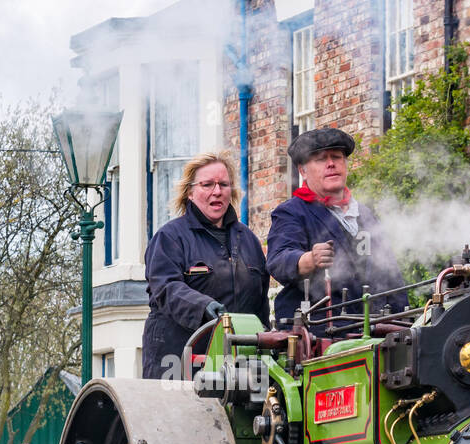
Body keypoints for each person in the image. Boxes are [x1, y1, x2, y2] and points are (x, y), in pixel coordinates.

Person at [141, 152, 270, 379]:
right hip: (178, 364)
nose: (217, 191)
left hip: (237, 370)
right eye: (207, 184)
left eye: (223, 184)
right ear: (190, 192)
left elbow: (260, 308)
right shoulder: (169, 238)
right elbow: (165, 288)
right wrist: (203, 306)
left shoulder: (248, 240)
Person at [266, 127, 407, 329]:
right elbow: (278, 261)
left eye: (337, 157)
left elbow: (390, 275)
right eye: (321, 159)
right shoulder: (291, 212)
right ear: (302, 170)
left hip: (369, 329)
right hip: (317, 332)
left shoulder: (366, 215)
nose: (331, 164)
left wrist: (405, 322)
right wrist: (309, 259)